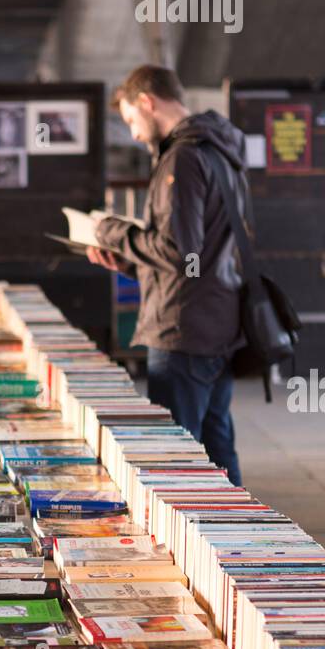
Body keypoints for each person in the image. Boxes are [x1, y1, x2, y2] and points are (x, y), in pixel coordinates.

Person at [86, 64, 248, 486]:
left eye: (130, 120)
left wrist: (112, 232)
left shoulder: (184, 157)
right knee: (216, 447)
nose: (134, 133)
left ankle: (191, 545)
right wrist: (125, 260)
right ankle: (227, 539)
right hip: (218, 321)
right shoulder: (219, 148)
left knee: (179, 458)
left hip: (183, 328)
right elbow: (197, 250)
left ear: (147, 101)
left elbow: (179, 250)